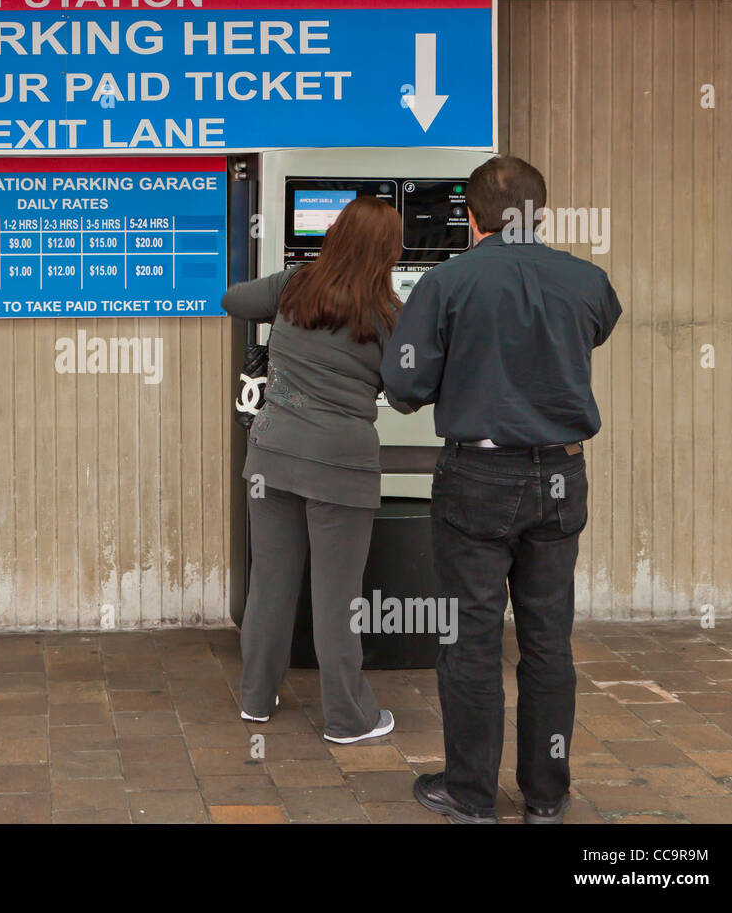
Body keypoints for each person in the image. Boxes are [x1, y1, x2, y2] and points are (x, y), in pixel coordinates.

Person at [381, 156, 622, 824]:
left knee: (471, 639)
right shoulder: (587, 280)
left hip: (478, 479)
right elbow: (595, 329)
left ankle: (470, 793)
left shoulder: (447, 283)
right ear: (539, 211)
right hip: (560, 478)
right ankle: (547, 795)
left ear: (472, 215)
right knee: (548, 640)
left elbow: (403, 385)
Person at [223, 196, 402, 744]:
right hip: (340, 469)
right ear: (388, 253)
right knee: (337, 597)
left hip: (271, 457)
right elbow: (408, 392)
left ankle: (256, 698)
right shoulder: (390, 315)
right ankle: (349, 719)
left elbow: (233, 299)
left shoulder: (294, 285)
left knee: (270, 584)